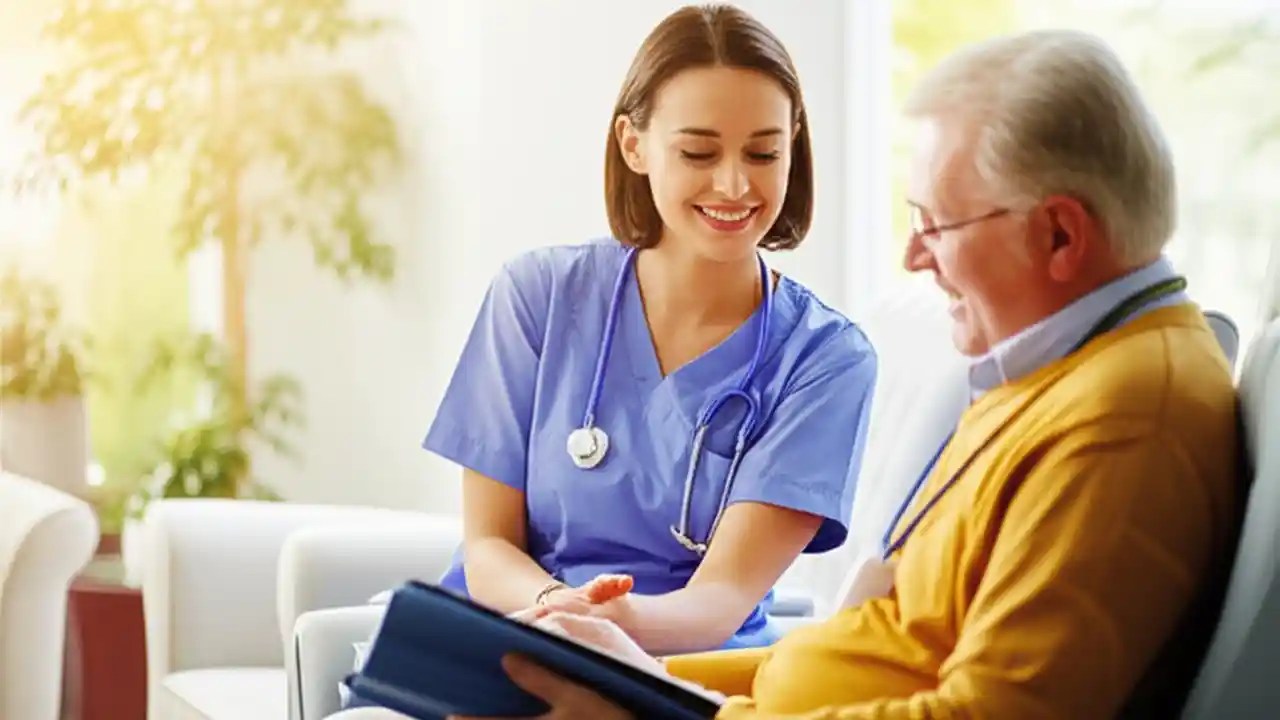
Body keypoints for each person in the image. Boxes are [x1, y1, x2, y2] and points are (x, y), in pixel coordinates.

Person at [431, 28, 1241, 720]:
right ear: (633, 146)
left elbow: (987, 713)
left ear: (1061, 237)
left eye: (935, 224)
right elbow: (887, 639)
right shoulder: (1053, 383)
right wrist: (639, 685)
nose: (913, 256)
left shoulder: (1126, 419)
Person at [420, 2, 876, 658]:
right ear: (634, 144)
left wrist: (601, 629)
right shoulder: (537, 297)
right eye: (698, 150)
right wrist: (555, 609)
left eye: (764, 152)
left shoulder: (825, 359)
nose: (734, 183)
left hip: (675, 660)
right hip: (511, 629)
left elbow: (718, 601)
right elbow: (489, 545)